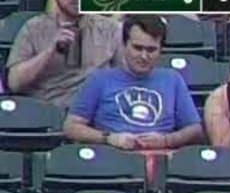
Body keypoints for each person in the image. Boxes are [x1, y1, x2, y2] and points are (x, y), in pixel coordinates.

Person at [63, 14, 204, 152]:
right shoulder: (99, 79)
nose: (144, 56)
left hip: (160, 158)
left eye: (151, 50)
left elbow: (195, 130)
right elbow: (71, 127)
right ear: (124, 45)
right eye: (137, 48)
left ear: (161, 50)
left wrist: (166, 140)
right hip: (112, 157)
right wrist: (109, 138)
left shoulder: (172, 79)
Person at [5, 0, 119, 107]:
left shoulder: (111, 29)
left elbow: (129, 79)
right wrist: (49, 51)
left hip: (96, 114)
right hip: (47, 113)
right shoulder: (33, 28)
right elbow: (14, 83)